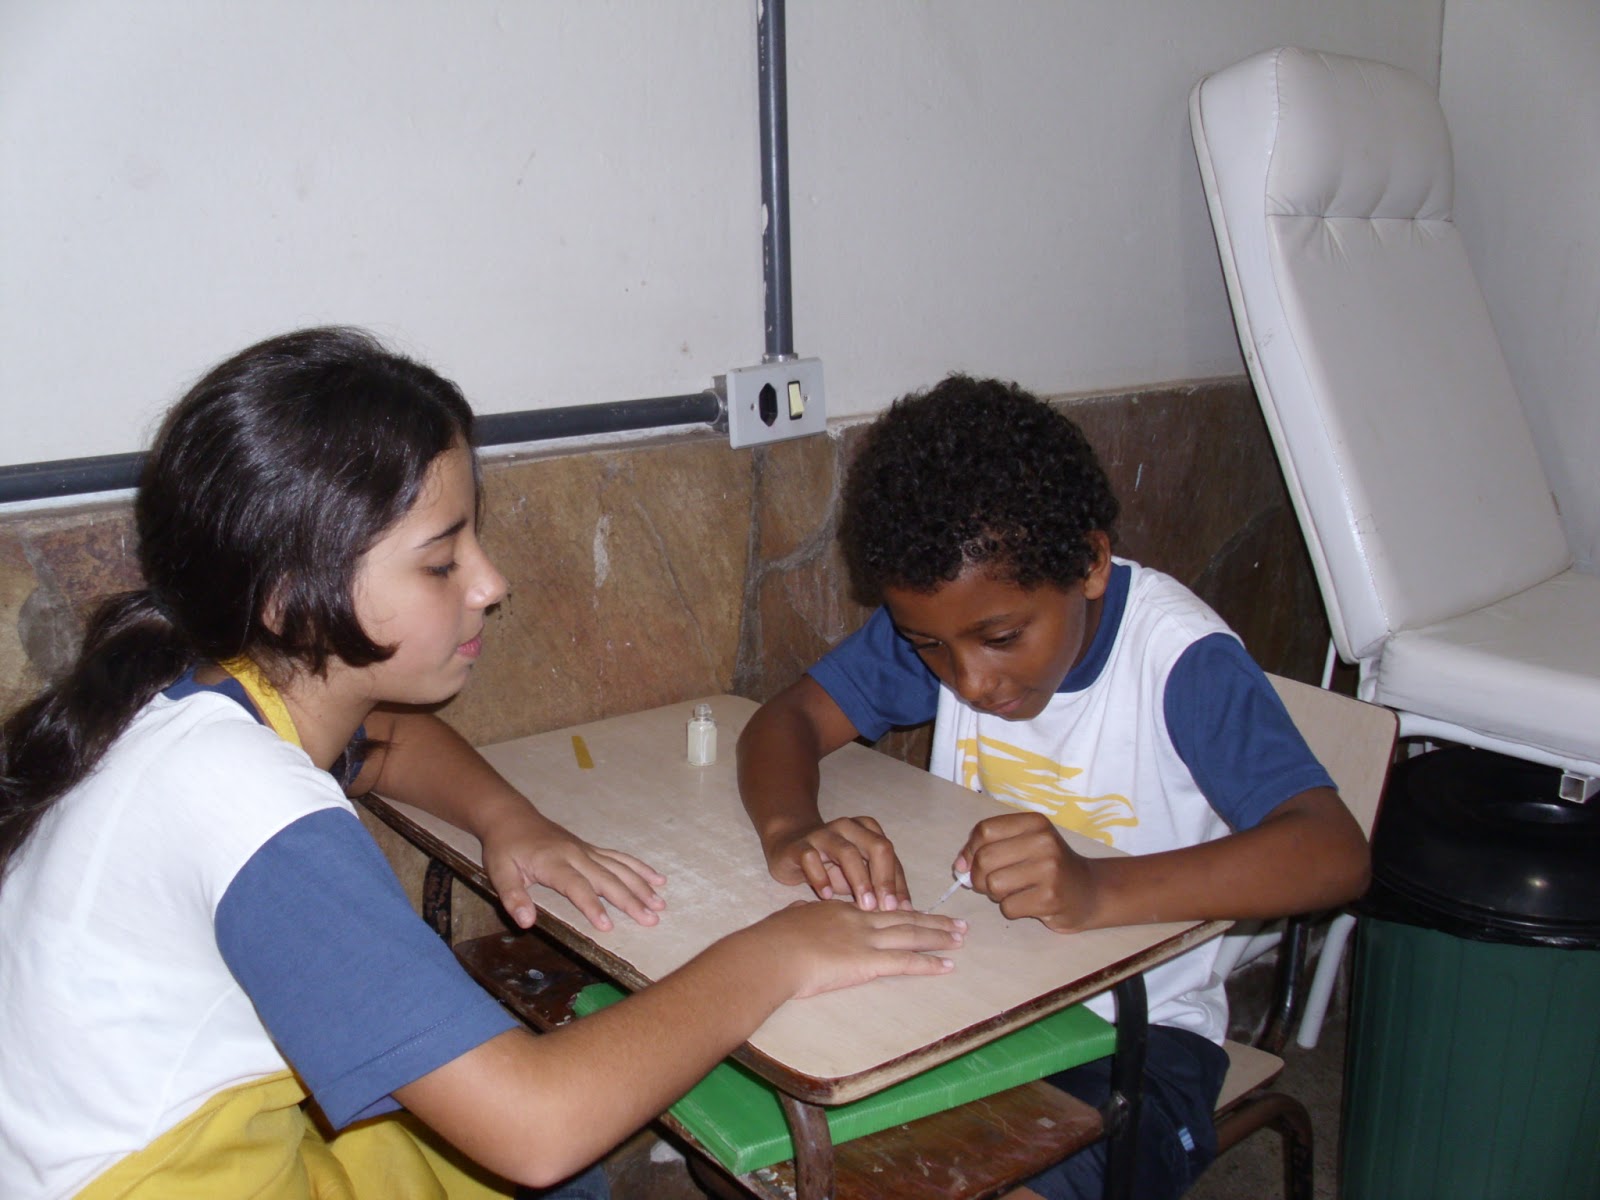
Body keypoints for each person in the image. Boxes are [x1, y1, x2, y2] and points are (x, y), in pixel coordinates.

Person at [0, 327, 965, 1200]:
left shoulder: (203, 695)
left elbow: (385, 747)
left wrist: (511, 821)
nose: (492, 582)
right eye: (440, 561)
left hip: (185, 1149)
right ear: (293, 602)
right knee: (554, 1161)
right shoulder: (253, 809)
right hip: (164, 1180)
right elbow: (533, 1130)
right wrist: (778, 950)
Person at [736, 375, 1369, 1200]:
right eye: (931, 647)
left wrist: (1095, 887)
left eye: (1002, 638)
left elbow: (1334, 852)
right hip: (964, 1006)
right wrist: (792, 829)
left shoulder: (1180, 664)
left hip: (1136, 1037)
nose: (969, 679)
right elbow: (784, 721)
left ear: (1090, 564)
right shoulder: (951, 620)